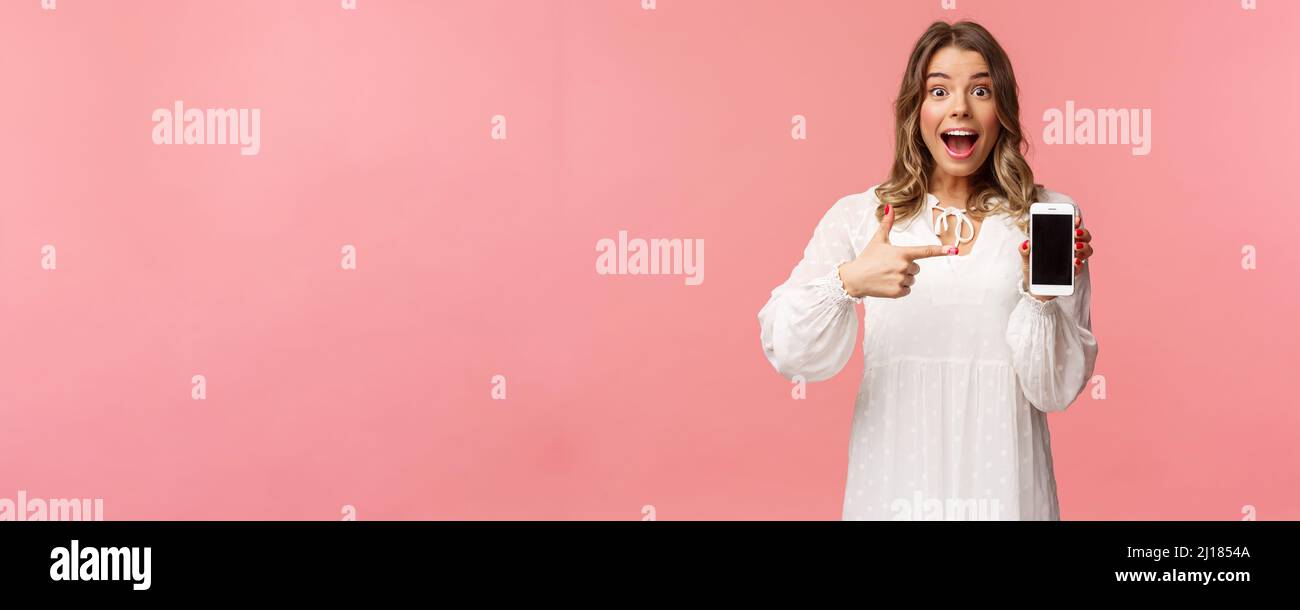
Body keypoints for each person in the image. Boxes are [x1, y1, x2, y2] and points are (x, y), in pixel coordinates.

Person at [757, 20, 1098, 520]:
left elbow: (1052, 388)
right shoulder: (862, 216)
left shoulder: (1043, 217)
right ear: (915, 111)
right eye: (939, 90)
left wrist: (1039, 297)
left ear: (1002, 108)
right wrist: (848, 282)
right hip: (895, 482)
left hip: (1004, 485)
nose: (959, 106)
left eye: (980, 89)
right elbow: (788, 350)